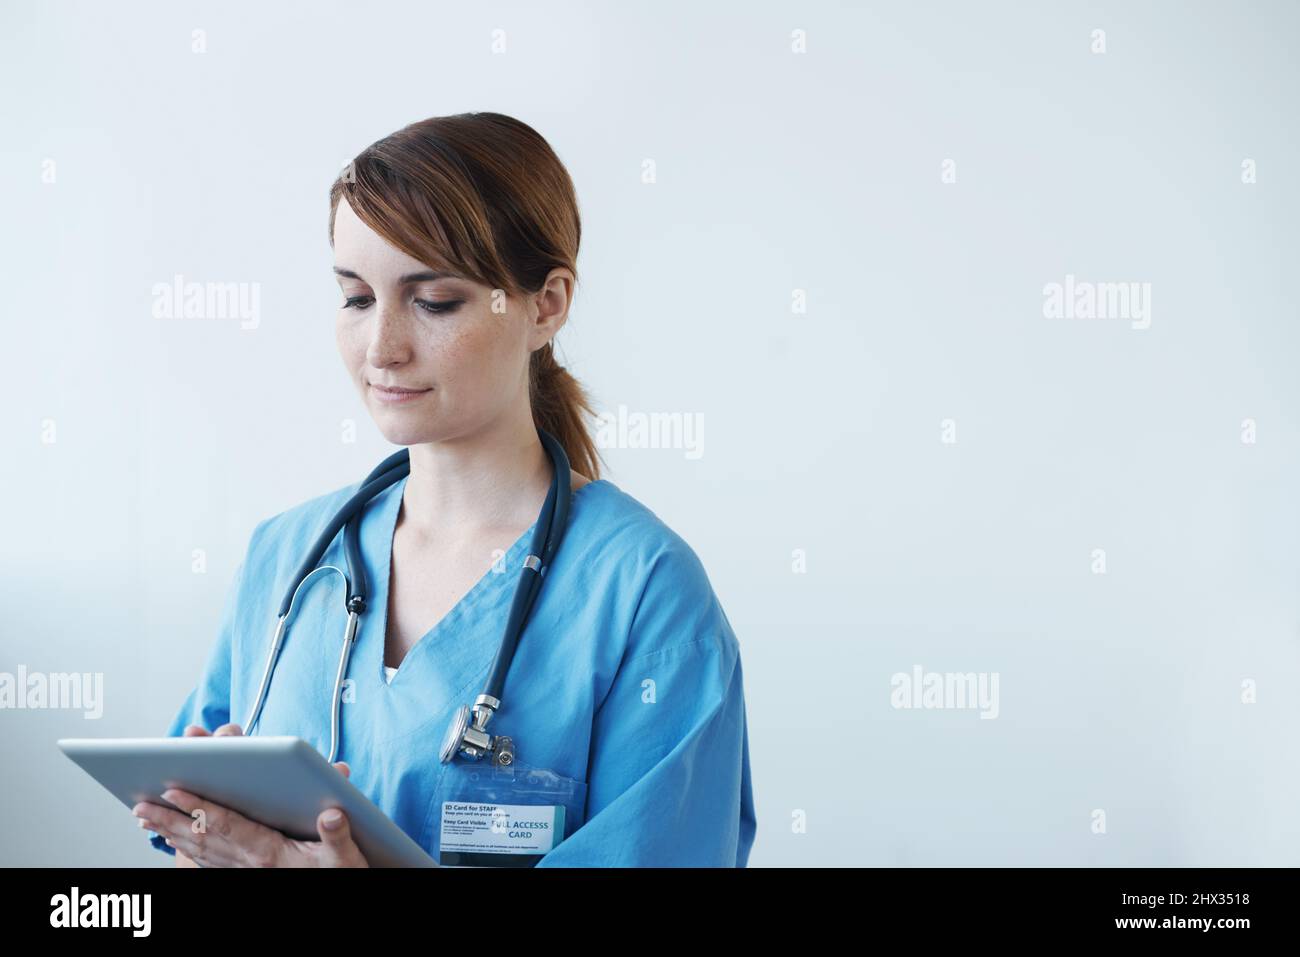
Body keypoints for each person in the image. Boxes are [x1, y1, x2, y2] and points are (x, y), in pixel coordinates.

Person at [133, 112, 756, 867]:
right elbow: (184, 825)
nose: (382, 347)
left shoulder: (643, 594)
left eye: (433, 302)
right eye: (357, 297)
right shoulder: (289, 558)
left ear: (546, 304)